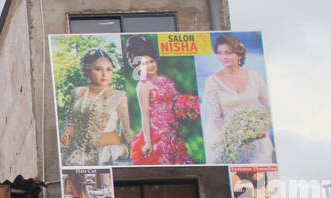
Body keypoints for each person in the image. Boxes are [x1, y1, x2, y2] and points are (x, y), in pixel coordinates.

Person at [203, 33, 275, 163]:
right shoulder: (212, 82)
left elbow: (268, 106)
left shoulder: (255, 77)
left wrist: (260, 128)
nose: (223, 57)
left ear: (239, 54)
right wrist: (235, 134)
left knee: (259, 180)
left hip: (256, 138)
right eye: (220, 53)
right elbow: (216, 117)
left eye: (228, 53)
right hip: (229, 139)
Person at [126, 36, 195, 165]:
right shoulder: (143, 85)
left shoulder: (165, 79)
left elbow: (176, 101)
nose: (150, 65)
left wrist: (187, 108)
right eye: (145, 63)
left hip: (174, 132)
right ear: (139, 67)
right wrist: (148, 142)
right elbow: (145, 115)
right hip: (158, 133)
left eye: (151, 61)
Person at [60, 49, 131, 166]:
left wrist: (128, 149)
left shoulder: (118, 96)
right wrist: (67, 134)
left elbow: (127, 131)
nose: (104, 74)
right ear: (87, 70)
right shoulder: (77, 92)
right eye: (98, 69)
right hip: (75, 150)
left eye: (109, 69)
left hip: (105, 150)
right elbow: (70, 123)